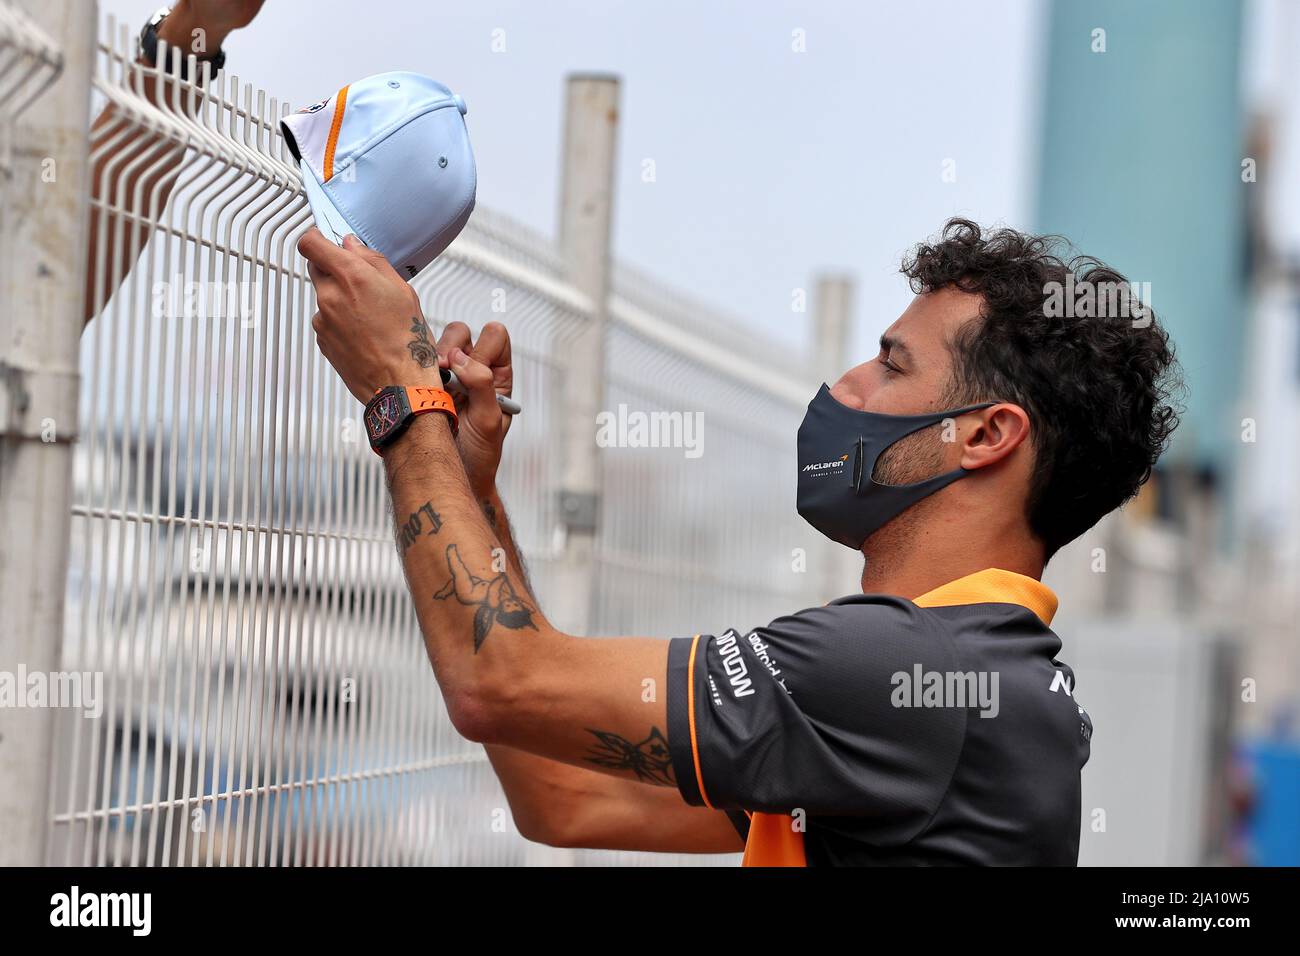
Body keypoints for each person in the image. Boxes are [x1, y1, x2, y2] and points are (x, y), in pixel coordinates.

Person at [300, 217, 1181, 866]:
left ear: (986, 436)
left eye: (892, 363)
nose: (848, 384)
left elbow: (498, 685)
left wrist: (400, 394)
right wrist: (474, 486)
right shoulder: (978, 678)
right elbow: (564, 798)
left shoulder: (893, 672)